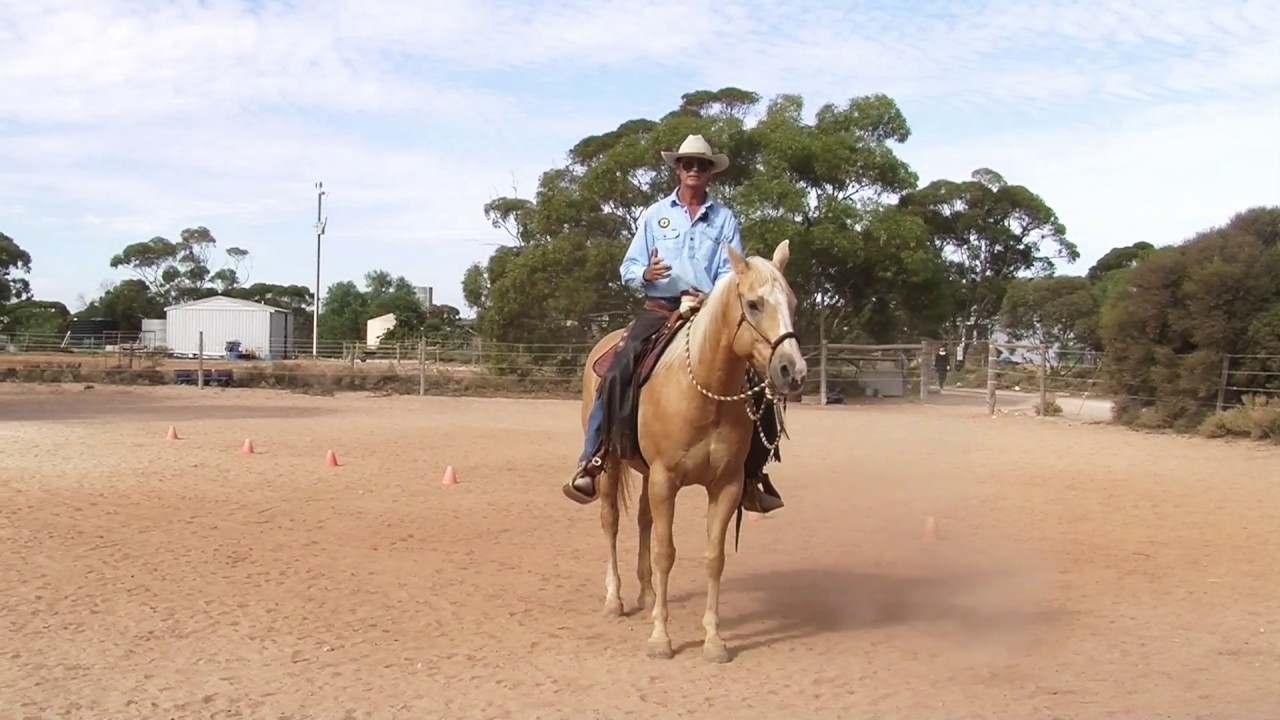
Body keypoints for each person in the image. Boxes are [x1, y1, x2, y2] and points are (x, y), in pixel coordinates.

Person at [561, 134, 786, 514]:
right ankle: (594, 459)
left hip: (709, 311)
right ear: (677, 169)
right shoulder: (655, 215)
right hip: (660, 307)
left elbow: (735, 272)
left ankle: (752, 475)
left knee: (759, 381)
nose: (694, 170)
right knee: (617, 369)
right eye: (688, 164)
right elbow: (629, 267)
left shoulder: (724, 219)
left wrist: (709, 297)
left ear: (710, 172)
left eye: (702, 165)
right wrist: (645, 273)